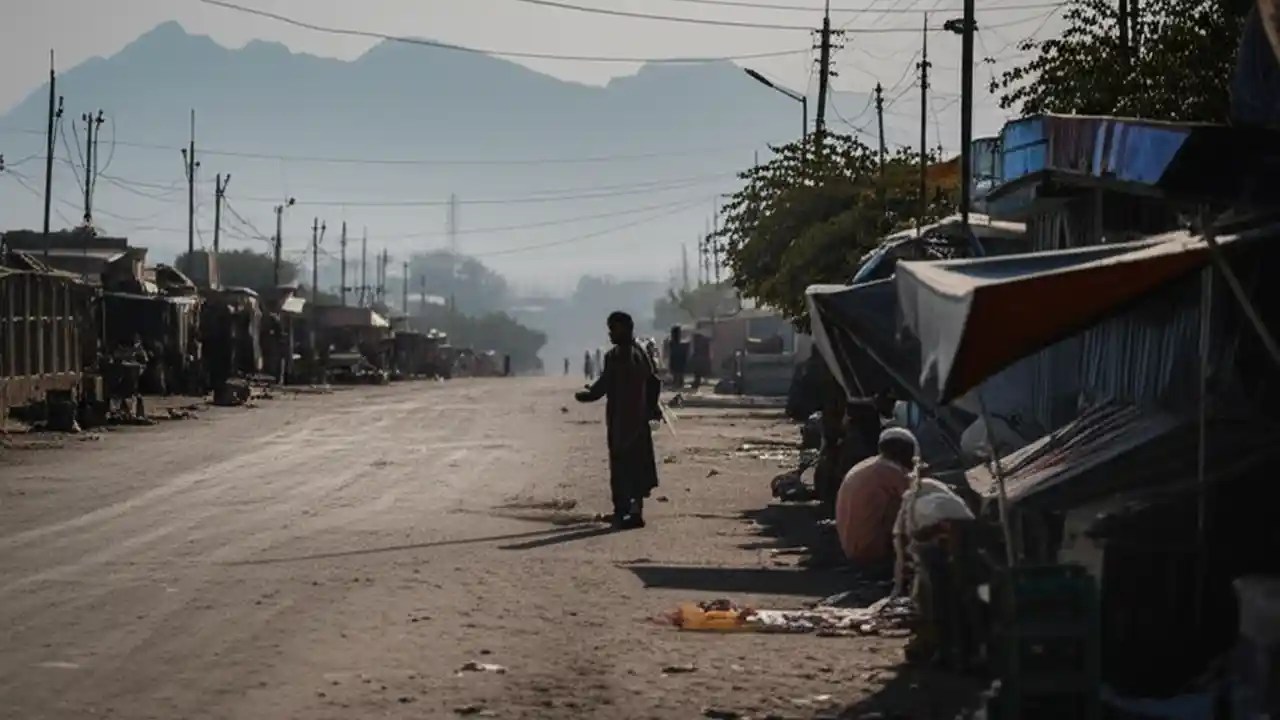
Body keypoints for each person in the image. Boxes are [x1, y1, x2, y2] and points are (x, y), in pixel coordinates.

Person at [575, 311, 662, 529]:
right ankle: (631, 510)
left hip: (625, 419)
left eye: (613, 328)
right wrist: (652, 408)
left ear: (625, 328)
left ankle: (625, 510)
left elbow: (606, 383)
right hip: (632, 418)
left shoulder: (619, 355)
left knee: (625, 464)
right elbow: (653, 382)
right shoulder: (639, 353)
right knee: (635, 464)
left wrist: (590, 395)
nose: (611, 333)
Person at [835, 427, 918, 572]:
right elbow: (914, 502)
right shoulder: (893, 474)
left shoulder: (868, 466)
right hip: (868, 551)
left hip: (850, 545)